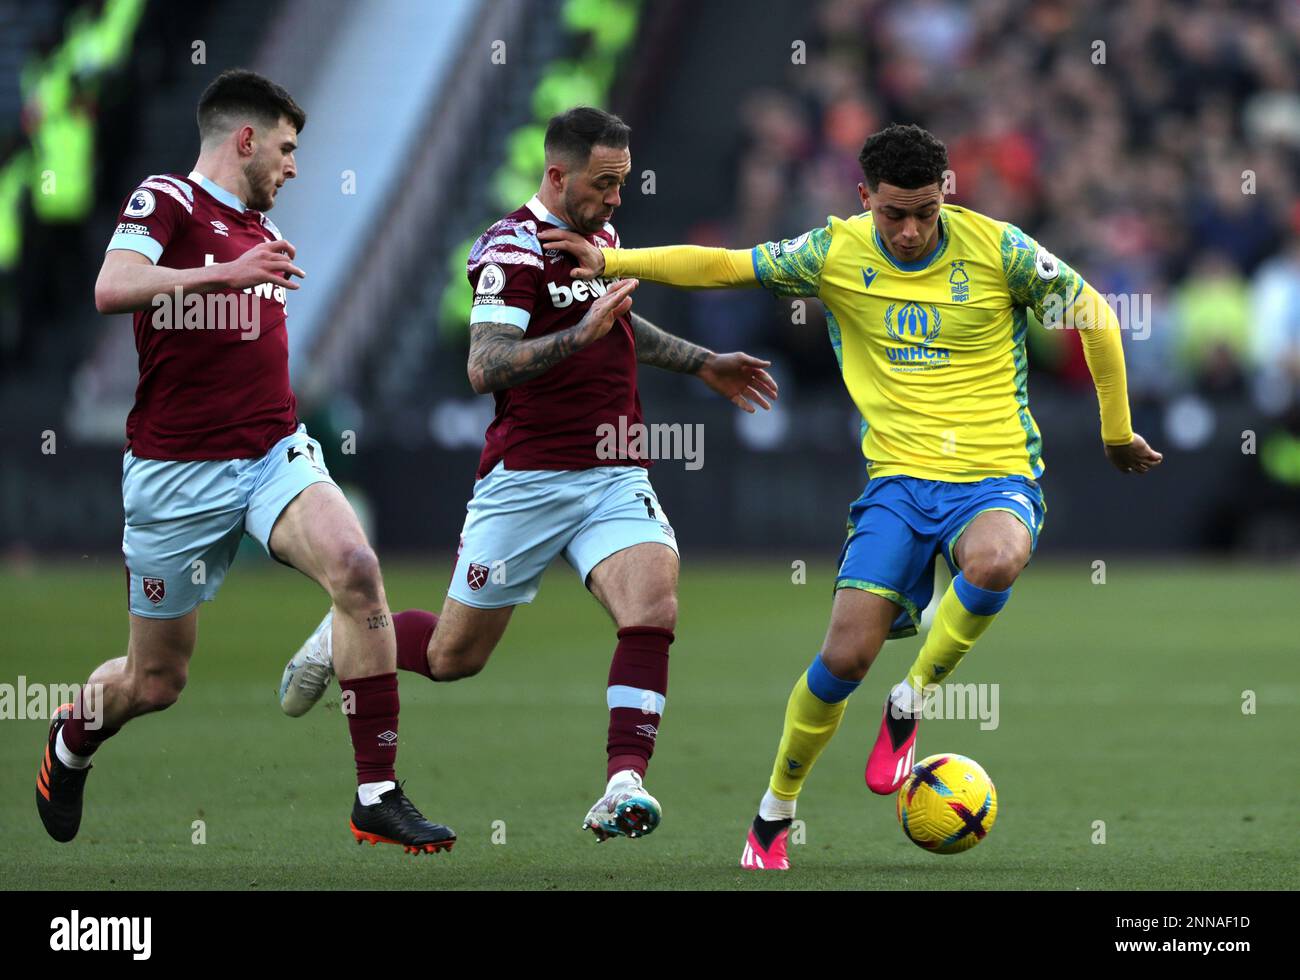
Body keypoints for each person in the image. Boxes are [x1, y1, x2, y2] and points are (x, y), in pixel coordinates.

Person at [540, 123, 1162, 868]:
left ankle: (913, 699)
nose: (908, 230)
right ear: (864, 198)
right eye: (893, 213)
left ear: (945, 197)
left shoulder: (999, 250)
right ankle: (774, 814)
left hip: (996, 473)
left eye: (925, 213)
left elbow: (1092, 312)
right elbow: (723, 266)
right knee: (842, 659)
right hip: (897, 485)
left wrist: (1117, 432)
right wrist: (610, 259)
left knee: (998, 558)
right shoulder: (832, 253)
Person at [278, 106, 778, 842]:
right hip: (528, 478)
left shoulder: (596, 238)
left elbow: (620, 325)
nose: (616, 200)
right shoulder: (507, 250)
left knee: (655, 607)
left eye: (623, 184)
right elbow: (485, 366)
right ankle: (346, 631)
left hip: (613, 470)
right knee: (455, 658)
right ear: (557, 174)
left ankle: (622, 785)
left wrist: (703, 361)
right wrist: (580, 334)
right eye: (605, 184)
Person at [37, 69, 454, 855]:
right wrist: (218, 275)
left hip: (271, 455)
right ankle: (68, 740)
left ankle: (377, 793)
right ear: (246, 139)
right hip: (174, 478)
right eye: (289, 149)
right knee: (153, 683)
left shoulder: (264, 237)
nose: (295, 166)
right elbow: (111, 286)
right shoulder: (167, 200)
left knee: (356, 566)